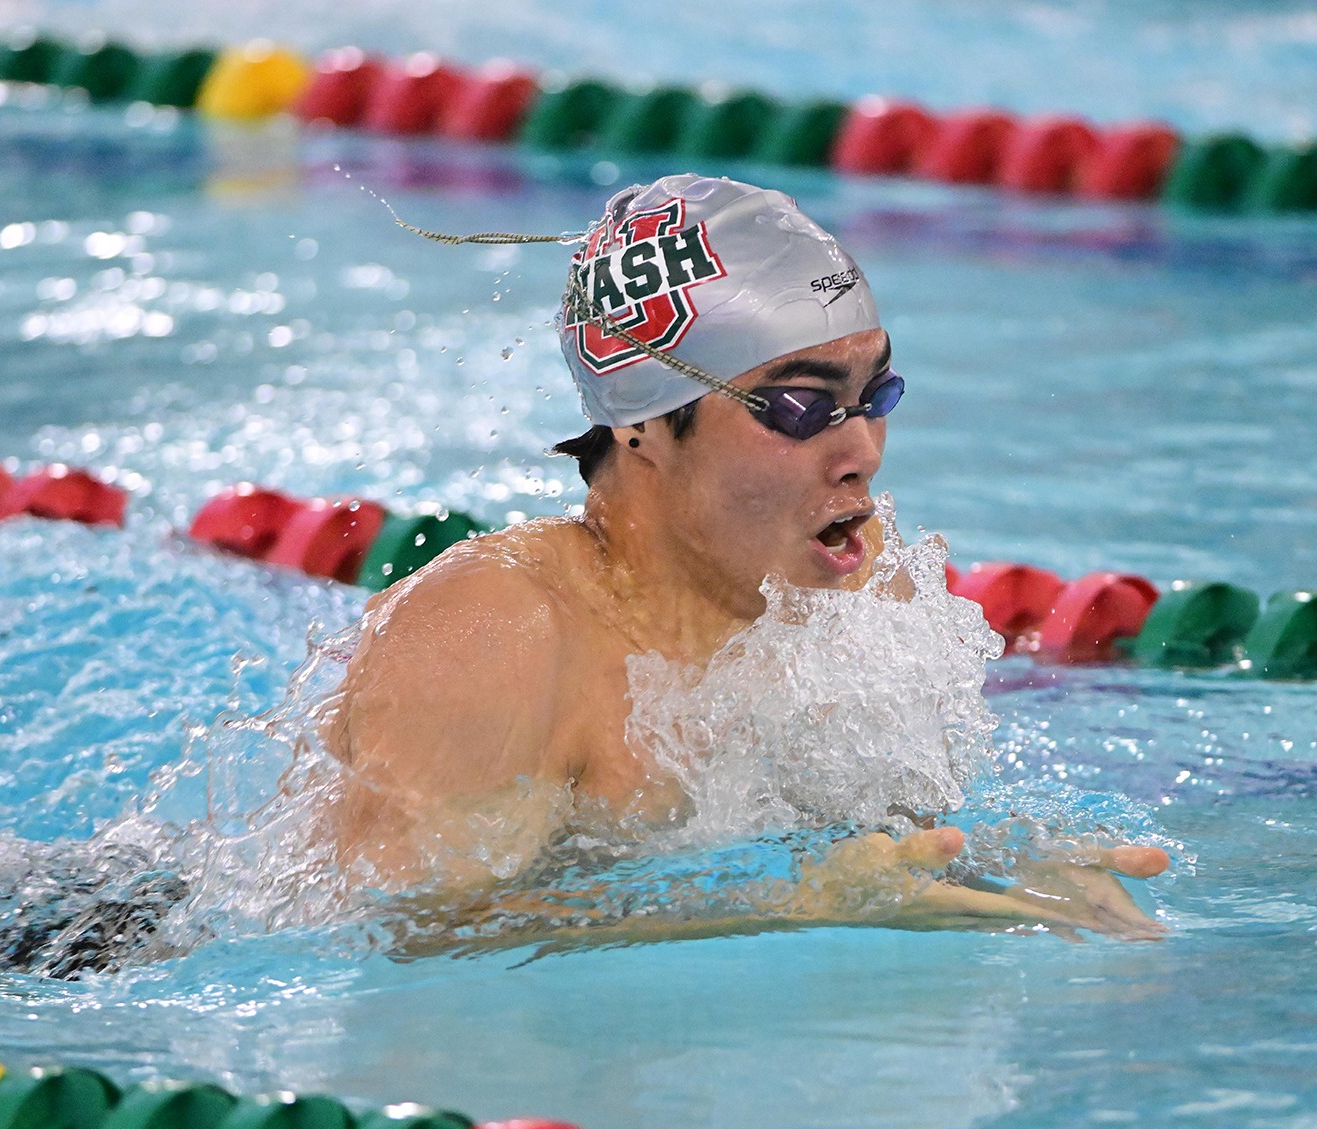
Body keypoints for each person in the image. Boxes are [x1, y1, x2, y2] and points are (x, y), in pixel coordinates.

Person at [322, 174, 1168, 938]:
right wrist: (778, 908)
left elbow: (882, 856)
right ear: (644, 424)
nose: (863, 451)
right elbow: (407, 931)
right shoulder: (493, 634)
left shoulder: (871, 597)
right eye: (803, 407)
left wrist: (1010, 873)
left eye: (875, 395)